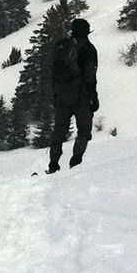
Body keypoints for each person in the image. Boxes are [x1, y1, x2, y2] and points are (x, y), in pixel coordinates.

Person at [47, 17, 99, 172]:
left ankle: (53, 164)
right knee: (83, 130)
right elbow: (90, 74)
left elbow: (53, 72)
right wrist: (93, 96)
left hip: (61, 95)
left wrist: (55, 94)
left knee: (59, 131)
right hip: (81, 95)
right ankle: (75, 163)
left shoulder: (61, 46)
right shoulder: (88, 48)